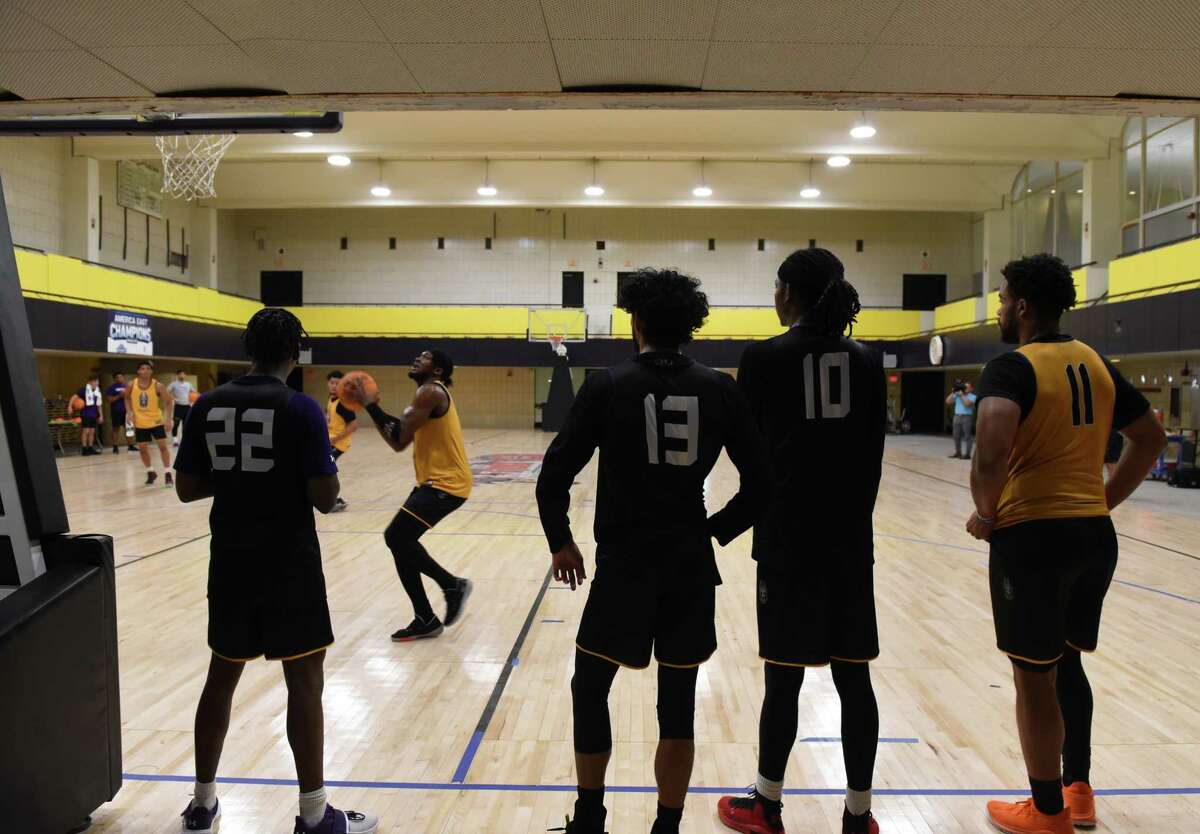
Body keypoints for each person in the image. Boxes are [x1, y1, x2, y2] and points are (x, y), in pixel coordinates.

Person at [536, 268, 769, 834]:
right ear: (691, 325)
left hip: (624, 565)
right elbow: (763, 482)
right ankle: (667, 826)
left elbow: (553, 475)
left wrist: (561, 541)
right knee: (678, 703)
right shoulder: (720, 388)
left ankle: (590, 817)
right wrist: (716, 529)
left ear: (634, 320)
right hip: (689, 567)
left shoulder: (607, 385)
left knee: (590, 687)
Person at [966, 254, 1165, 834]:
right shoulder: (1096, 363)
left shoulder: (1010, 367)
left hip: (1033, 539)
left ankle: (1046, 811)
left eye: (1003, 298)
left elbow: (991, 449)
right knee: (1069, 662)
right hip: (1093, 539)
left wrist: (986, 512)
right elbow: (1149, 438)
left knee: (1033, 675)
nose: (1000, 308)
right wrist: (1102, 501)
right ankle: (1078, 791)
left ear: (1023, 306)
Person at [173, 308, 378, 834]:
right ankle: (313, 815)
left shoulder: (208, 404)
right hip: (288, 562)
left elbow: (188, 487)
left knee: (221, 677)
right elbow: (325, 497)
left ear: (249, 348)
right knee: (304, 682)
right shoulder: (301, 409)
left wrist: (243, 480)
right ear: (297, 351)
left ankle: (201, 804)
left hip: (232, 560)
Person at [717, 248, 887, 834]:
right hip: (848, 540)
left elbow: (748, 458)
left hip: (789, 540)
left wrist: (721, 524)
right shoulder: (868, 361)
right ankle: (859, 814)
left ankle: (766, 804)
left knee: (783, 677)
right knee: (855, 678)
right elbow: (872, 460)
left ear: (788, 293)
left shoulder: (763, 358)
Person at [352, 351, 474, 641]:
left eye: (426, 356)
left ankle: (451, 585)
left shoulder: (430, 391)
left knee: (396, 537)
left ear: (439, 370)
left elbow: (398, 440)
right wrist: (375, 409)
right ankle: (425, 617)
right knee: (400, 542)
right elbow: (401, 432)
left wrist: (370, 405)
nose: (418, 358)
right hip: (434, 483)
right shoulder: (426, 393)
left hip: (446, 484)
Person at [124, 360, 174, 486]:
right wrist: (129, 412)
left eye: (148, 368)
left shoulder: (158, 385)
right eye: (142, 368)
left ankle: (168, 473)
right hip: (140, 422)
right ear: (138, 371)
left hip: (156, 421)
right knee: (142, 450)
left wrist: (168, 419)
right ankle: (150, 472)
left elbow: (169, 401)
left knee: (162, 447)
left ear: (151, 371)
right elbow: (126, 397)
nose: (145, 371)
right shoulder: (131, 384)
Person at [325, 371, 358, 512]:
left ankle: (331, 501)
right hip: (330, 442)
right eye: (332, 383)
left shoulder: (343, 403)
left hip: (338, 444)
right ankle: (332, 499)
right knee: (326, 470)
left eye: (337, 383)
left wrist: (334, 439)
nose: (334, 386)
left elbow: (353, 425)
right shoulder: (331, 399)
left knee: (326, 471)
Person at [69, 373, 104, 455]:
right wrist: (70, 406)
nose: (96, 383)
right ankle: (84, 449)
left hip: (94, 414)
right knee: (86, 431)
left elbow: (99, 405)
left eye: (97, 381)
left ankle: (90, 448)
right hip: (85, 414)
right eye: (95, 381)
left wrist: (101, 415)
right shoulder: (83, 390)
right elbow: (73, 397)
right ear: (90, 382)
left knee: (92, 432)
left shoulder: (97, 391)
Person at [946, 381, 978, 459]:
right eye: (964, 387)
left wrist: (962, 395)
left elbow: (967, 404)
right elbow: (948, 401)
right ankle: (958, 452)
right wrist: (953, 392)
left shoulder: (972, 396)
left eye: (967, 387)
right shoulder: (957, 395)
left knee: (967, 436)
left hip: (966, 417)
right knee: (956, 436)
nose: (965, 389)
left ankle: (967, 454)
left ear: (971, 389)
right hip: (956, 416)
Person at [106, 372, 135, 454]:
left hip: (127, 412)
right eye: (118, 377)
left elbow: (132, 398)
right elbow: (109, 400)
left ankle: (131, 446)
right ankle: (115, 447)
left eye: (121, 377)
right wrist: (119, 396)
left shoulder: (127, 387)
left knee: (129, 429)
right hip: (116, 411)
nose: (120, 379)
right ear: (114, 379)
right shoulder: (111, 388)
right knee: (116, 429)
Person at [168, 369, 195, 447]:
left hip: (187, 406)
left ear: (185, 376)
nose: (182, 375)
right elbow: (166, 392)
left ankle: (184, 441)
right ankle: (175, 441)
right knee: (176, 424)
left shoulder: (189, 384)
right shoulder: (173, 384)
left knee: (186, 425)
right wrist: (173, 398)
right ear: (178, 375)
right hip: (179, 407)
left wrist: (193, 400)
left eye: (183, 374)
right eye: (180, 374)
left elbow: (194, 393)